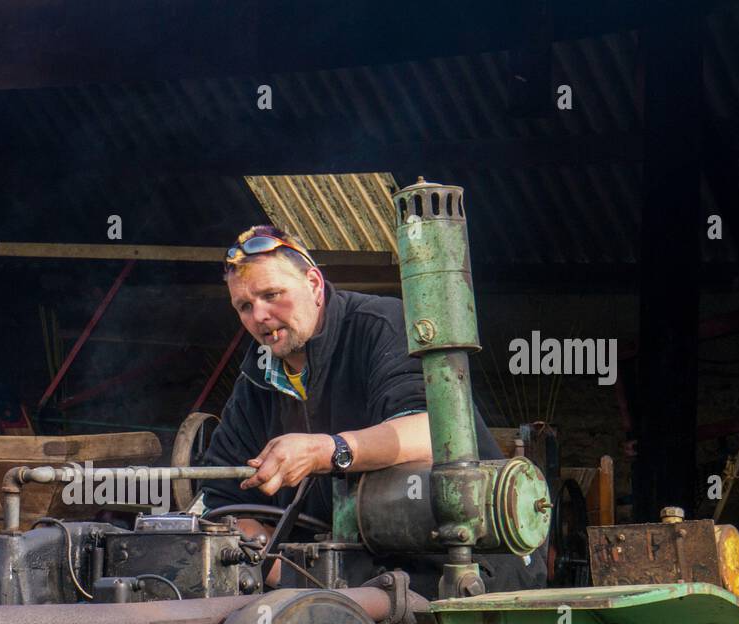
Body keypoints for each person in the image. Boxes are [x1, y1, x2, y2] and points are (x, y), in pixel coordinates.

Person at [201, 225, 545, 596]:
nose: (260, 316)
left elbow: (431, 431)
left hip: (461, 568)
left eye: (272, 295)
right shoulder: (257, 377)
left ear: (314, 284)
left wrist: (326, 450)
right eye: (245, 306)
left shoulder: (380, 326)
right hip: (348, 582)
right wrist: (285, 573)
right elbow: (221, 502)